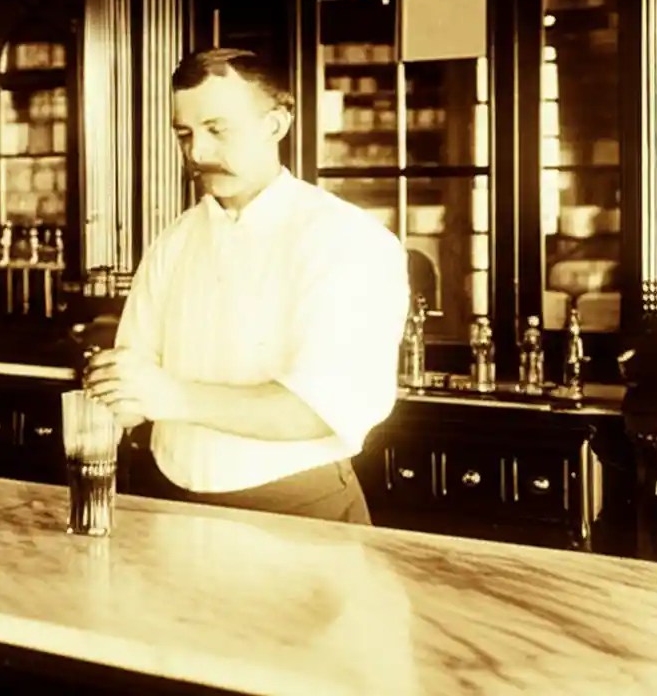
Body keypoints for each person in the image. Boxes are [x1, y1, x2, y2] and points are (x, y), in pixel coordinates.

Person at [83, 48, 411, 524]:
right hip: (168, 509)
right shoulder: (173, 242)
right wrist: (116, 395)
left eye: (218, 130)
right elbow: (133, 389)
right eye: (185, 134)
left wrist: (169, 396)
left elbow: (319, 409)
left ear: (275, 125)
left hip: (295, 514)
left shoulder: (346, 239)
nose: (197, 153)